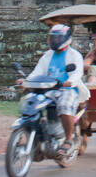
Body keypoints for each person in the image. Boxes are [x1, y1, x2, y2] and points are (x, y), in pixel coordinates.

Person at [15, 23, 88, 159]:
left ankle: (68, 139)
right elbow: (37, 72)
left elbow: (77, 72)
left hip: (67, 89)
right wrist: (25, 81)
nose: (55, 41)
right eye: (53, 38)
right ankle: (36, 140)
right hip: (48, 89)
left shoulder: (74, 55)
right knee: (30, 104)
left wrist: (70, 81)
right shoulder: (47, 55)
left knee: (64, 106)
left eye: (58, 38)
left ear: (66, 39)